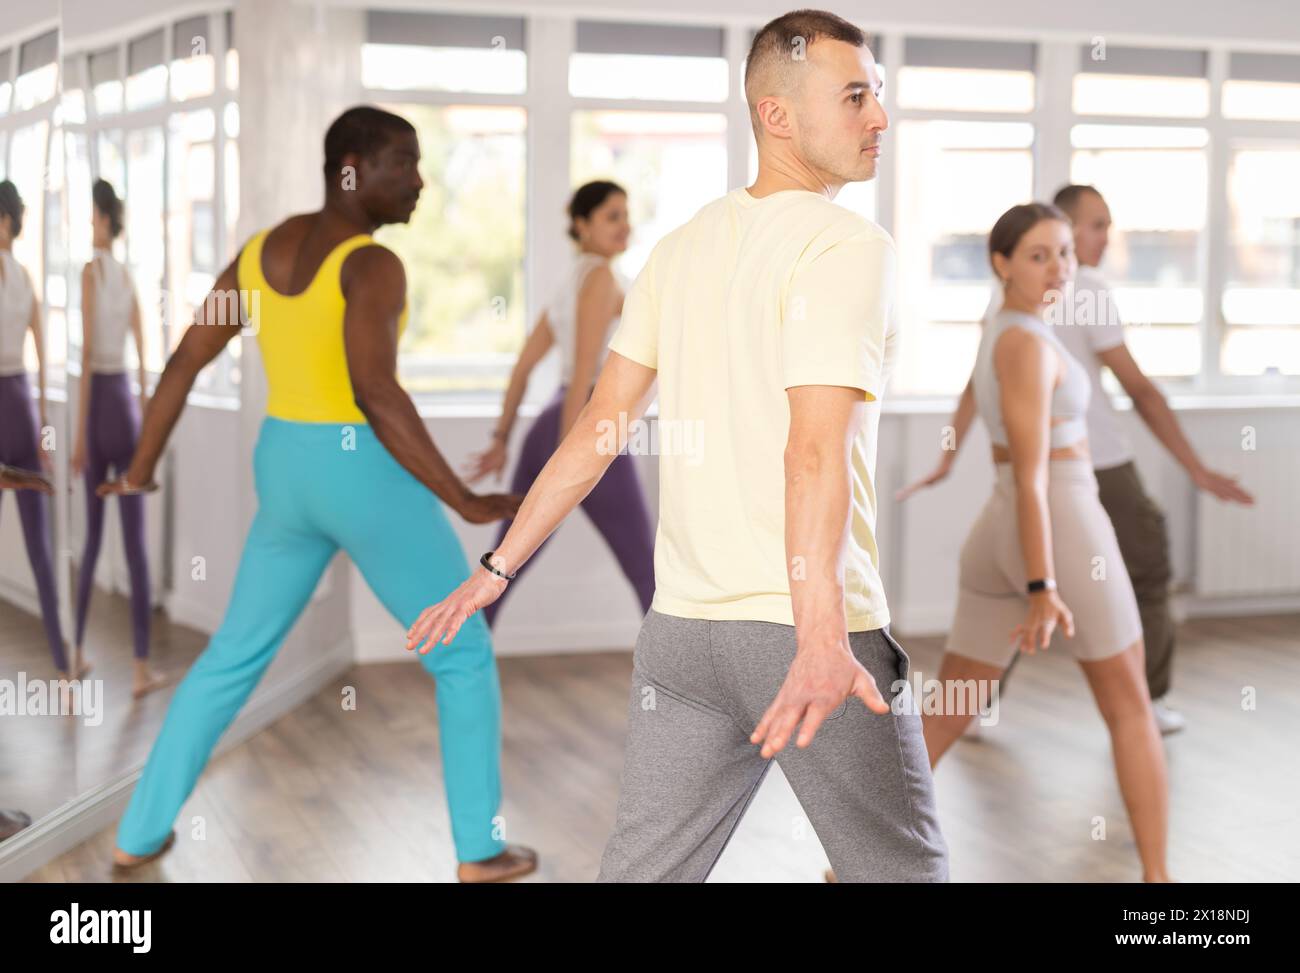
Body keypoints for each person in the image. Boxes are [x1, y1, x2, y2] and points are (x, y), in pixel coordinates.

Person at [407, 10, 949, 883]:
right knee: (902, 870)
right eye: (855, 97)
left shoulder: (682, 246)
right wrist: (818, 637)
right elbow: (811, 453)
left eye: (877, 95)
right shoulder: (848, 245)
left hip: (684, 641)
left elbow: (596, 426)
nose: (879, 117)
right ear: (775, 116)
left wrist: (497, 565)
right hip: (805, 630)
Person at [107, 106, 536, 882]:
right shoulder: (371, 264)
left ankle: (137, 833)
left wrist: (140, 470)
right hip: (359, 468)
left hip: (285, 467)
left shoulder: (256, 255)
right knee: (463, 653)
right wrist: (467, 499)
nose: (418, 181)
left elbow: (180, 363)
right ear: (350, 168)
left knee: (232, 655)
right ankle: (480, 848)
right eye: (401, 163)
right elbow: (374, 390)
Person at [900, 184, 1255, 734]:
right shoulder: (1084, 289)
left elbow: (977, 384)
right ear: (1059, 230)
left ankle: (980, 700)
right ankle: (1147, 700)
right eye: (1094, 225)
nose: (1102, 238)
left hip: (1032, 475)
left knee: (1020, 581)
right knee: (1133, 562)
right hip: (1089, 467)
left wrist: (949, 455)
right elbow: (1140, 390)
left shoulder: (1005, 295)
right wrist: (1196, 469)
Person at [922, 202, 1172, 882]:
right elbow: (1034, 477)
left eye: (1064, 252)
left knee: (945, 712)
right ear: (1001, 263)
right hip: (1059, 521)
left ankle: (856, 860)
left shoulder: (1003, 325)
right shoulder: (1028, 344)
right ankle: (1159, 882)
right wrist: (1043, 586)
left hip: (994, 529)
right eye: (1039, 255)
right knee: (1130, 705)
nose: (1059, 267)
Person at [465, 180, 654, 628]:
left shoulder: (571, 281)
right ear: (580, 225)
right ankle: (684, 684)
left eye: (626, 215)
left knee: (503, 563)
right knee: (644, 567)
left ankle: (459, 655)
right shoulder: (602, 279)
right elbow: (589, 371)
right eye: (611, 216)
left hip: (550, 423)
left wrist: (501, 440)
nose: (624, 225)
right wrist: (574, 448)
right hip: (588, 422)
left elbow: (522, 368)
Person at [72, 179, 165, 697]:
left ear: (105, 220)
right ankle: (139, 669)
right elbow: (144, 352)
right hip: (128, 410)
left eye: (91, 215)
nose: (88, 223)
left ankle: (75, 656)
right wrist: (148, 416)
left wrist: (82, 435)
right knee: (135, 547)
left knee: (91, 541)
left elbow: (88, 357)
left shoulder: (91, 273)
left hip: (102, 407)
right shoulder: (128, 277)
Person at [0, 180, 71, 678]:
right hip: (23, 410)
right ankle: (64, 663)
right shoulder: (26, 277)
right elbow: (43, 362)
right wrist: (44, 432)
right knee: (41, 551)